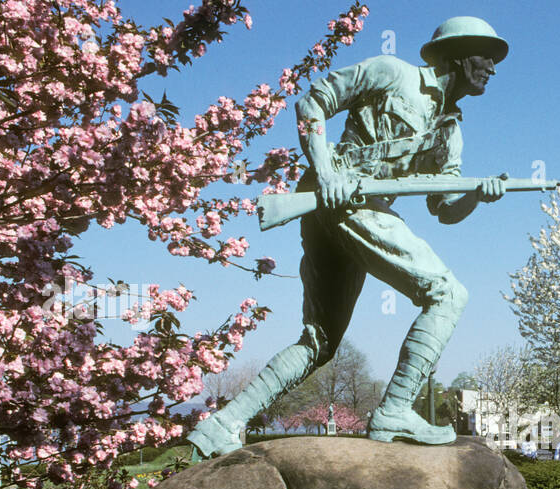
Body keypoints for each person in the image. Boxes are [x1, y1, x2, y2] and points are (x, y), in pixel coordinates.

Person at [185, 16, 510, 458]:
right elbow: (313, 102)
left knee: (319, 342)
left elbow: (444, 209)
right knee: (448, 294)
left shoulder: (450, 130)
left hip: (358, 213)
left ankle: (224, 423)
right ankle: (395, 408)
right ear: (457, 52)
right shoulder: (393, 72)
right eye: (485, 56)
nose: (493, 67)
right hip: (337, 200)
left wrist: (476, 196)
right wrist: (326, 170)